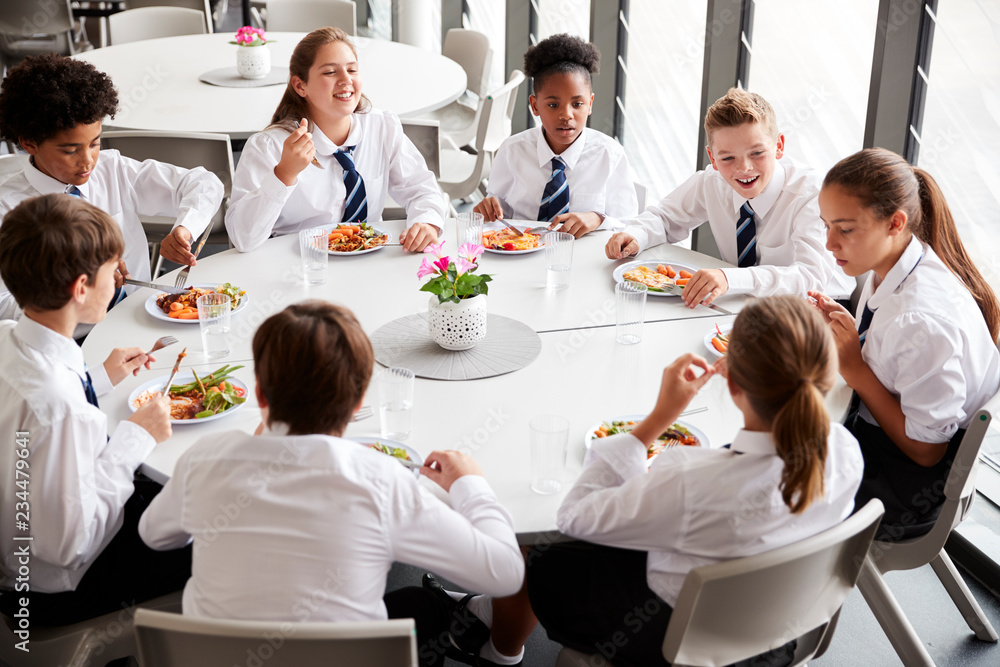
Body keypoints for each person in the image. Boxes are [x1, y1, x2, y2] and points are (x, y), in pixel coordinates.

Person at [421, 296, 865, 667]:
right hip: (777, 628)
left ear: (729, 381)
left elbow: (574, 516)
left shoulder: (694, 478)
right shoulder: (846, 450)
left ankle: (496, 646)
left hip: (673, 638)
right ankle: (488, 611)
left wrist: (655, 420)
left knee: (542, 550)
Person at [138, 301, 523, 667]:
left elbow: (154, 535)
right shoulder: (380, 480)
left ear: (259, 395)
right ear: (357, 405)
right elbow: (505, 572)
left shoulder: (205, 458)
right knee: (425, 606)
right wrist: (470, 484)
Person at [0, 195, 189, 626]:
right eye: (112, 269)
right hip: (57, 587)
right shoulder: (61, 411)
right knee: (212, 527)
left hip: (21, 552)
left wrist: (98, 378)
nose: (120, 275)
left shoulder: (8, 336)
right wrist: (136, 437)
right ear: (81, 287)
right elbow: (71, 544)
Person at [809, 147, 1000, 541]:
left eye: (845, 229)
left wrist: (856, 369)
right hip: (886, 445)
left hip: (905, 483)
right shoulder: (899, 265)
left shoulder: (920, 320)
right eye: (825, 225)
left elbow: (926, 451)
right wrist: (854, 335)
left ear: (895, 223)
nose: (829, 243)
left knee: (765, 477)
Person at [0, 53, 225, 321]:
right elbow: (3, 305)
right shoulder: (7, 209)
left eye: (95, 143)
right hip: (73, 337)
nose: (88, 161)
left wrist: (185, 228)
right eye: (70, 150)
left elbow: (204, 183)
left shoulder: (112, 170)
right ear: (29, 143)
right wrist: (79, 291)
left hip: (141, 317)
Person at [606, 88, 854, 309]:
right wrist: (636, 235)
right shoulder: (712, 182)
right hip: (746, 306)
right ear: (713, 158)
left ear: (779, 146)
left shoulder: (811, 196)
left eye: (757, 153)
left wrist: (729, 278)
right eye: (727, 158)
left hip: (820, 311)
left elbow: (810, 277)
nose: (744, 168)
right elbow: (665, 217)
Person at [225, 27, 445, 253]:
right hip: (298, 264)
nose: (346, 80)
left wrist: (427, 222)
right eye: (330, 72)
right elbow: (242, 238)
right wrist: (283, 175)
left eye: (352, 70)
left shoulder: (382, 127)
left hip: (368, 261)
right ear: (300, 86)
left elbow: (422, 189)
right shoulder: (268, 147)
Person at [473, 33, 637, 238]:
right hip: (521, 250)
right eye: (553, 105)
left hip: (585, 254)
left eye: (577, 104)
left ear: (590, 104)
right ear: (535, 106)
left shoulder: (609, 155)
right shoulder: (511, 151)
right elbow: (499, 215)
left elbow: (629, 225)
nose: (566, 115)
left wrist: (598, 219)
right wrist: (488, 210)